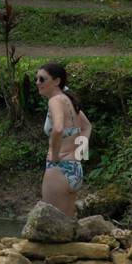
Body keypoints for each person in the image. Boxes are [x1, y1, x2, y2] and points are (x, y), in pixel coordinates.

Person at [37, 62, 92, 218]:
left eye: (42, 79)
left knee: (51, 225)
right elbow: (87, 127)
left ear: (56, 81)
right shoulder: (68, 100)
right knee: (67, 227)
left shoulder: (55, 101)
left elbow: (59, 128)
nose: (37, 83)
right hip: (75, 168)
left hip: (58, 170)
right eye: (37, 79)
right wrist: (80, 153)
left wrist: (54, 157)